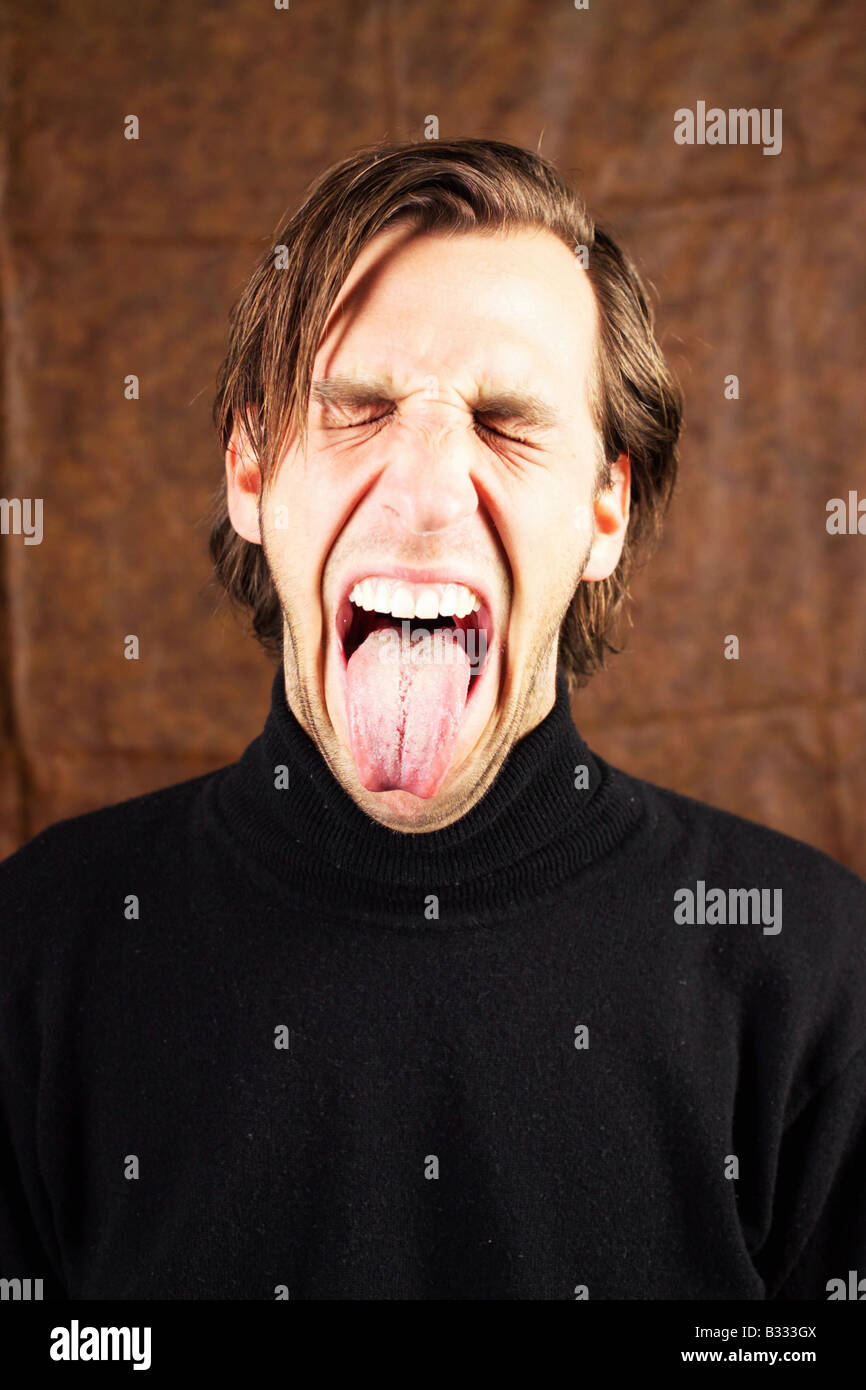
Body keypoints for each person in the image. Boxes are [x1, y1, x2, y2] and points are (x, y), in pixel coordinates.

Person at [1, 139, 864, 1301]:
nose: (424, 490)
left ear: (604, 507)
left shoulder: (814, 977)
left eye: (505, 421)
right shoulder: (36, 952)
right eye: (355, 408)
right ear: (250, 473)